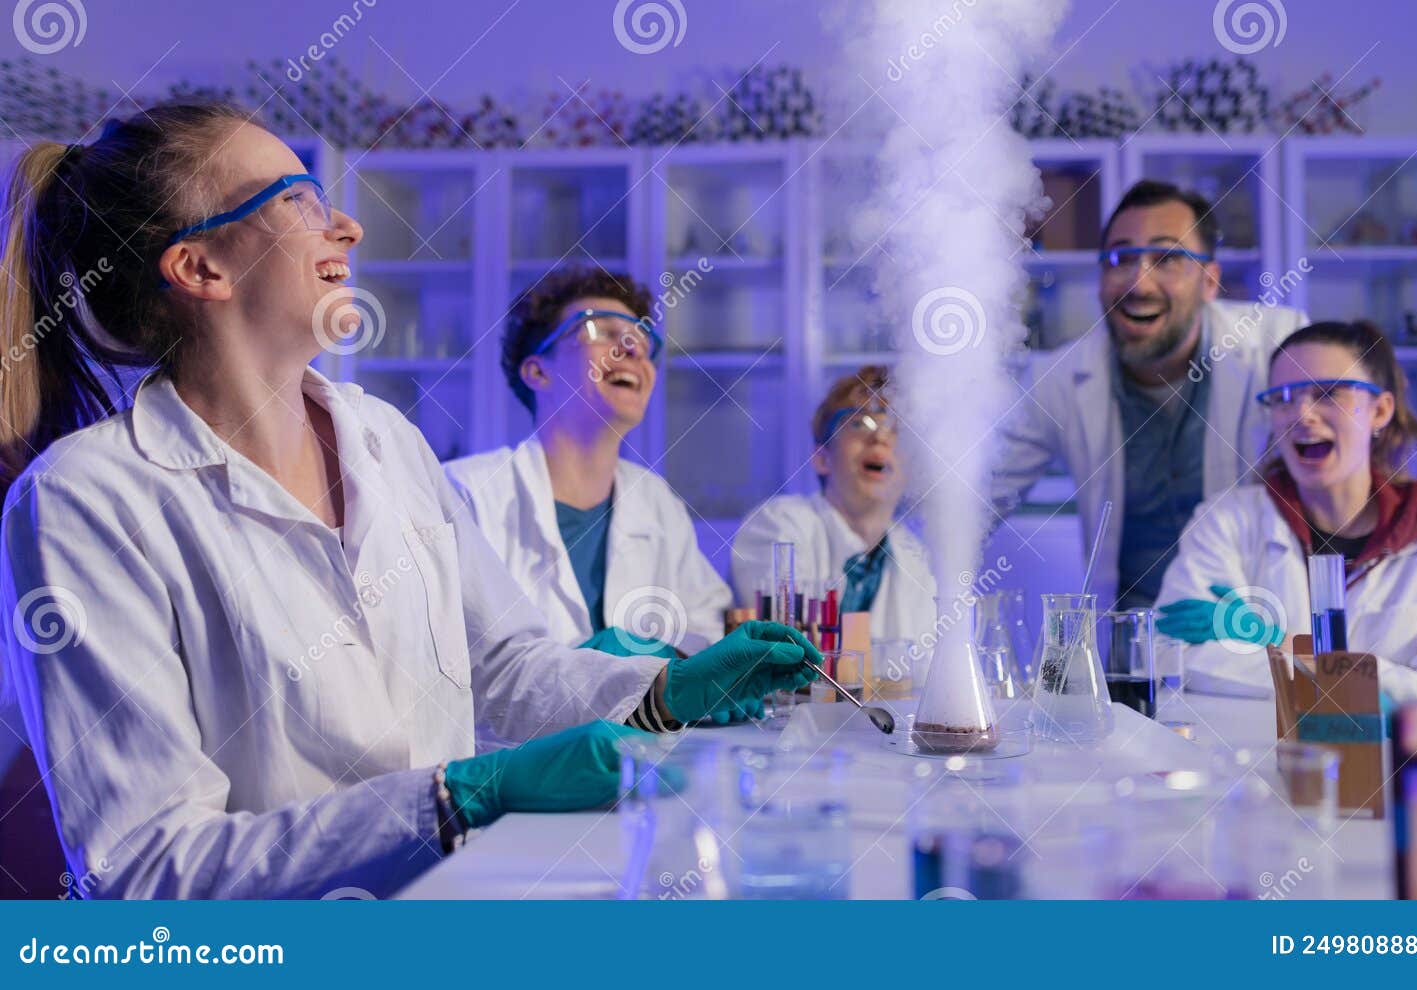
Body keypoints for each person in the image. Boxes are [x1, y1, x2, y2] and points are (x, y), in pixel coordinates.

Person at [0, 104, 816, 899]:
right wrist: (451, 799)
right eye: (298, 200)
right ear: (201, 267)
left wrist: (666, 692)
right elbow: (146, 870)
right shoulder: (87, 501)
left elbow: (506, 666)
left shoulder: (385, 439)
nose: (347, 226)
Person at [1153, 320, 1417, 739]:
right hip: (1259, 774)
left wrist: (1297, 652)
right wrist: (1359, 678)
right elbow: (1172, 655)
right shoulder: (1226, 521)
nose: (1302, 415)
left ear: (1380, 410)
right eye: (1283, 398)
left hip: (1404, 786)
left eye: (1327, 393)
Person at [991, 180, 1309, 608]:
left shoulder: (1277, 347)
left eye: (1167, 258)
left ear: (1209, 281)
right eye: (1121, 258)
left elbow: (1350, 474)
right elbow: (982, 498)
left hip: (1256, 637)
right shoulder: (1059, 378)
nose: (1138, 284)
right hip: (1132, 648)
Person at [445, 266, 730, 656]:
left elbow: (704, 626)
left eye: (644, 343)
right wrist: (589, 670)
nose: (633, 349)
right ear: (538, 372)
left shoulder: (656, 502)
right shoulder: (466, 495)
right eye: (602, 332)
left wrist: (687, 664)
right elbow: (447, 666)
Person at [731, 366, 936, 641]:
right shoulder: (776, 526)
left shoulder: (917, 561)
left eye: (896, 429)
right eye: (859, 423)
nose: (880, 437)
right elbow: (791, 643)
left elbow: (923, 664)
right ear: (821, 457)